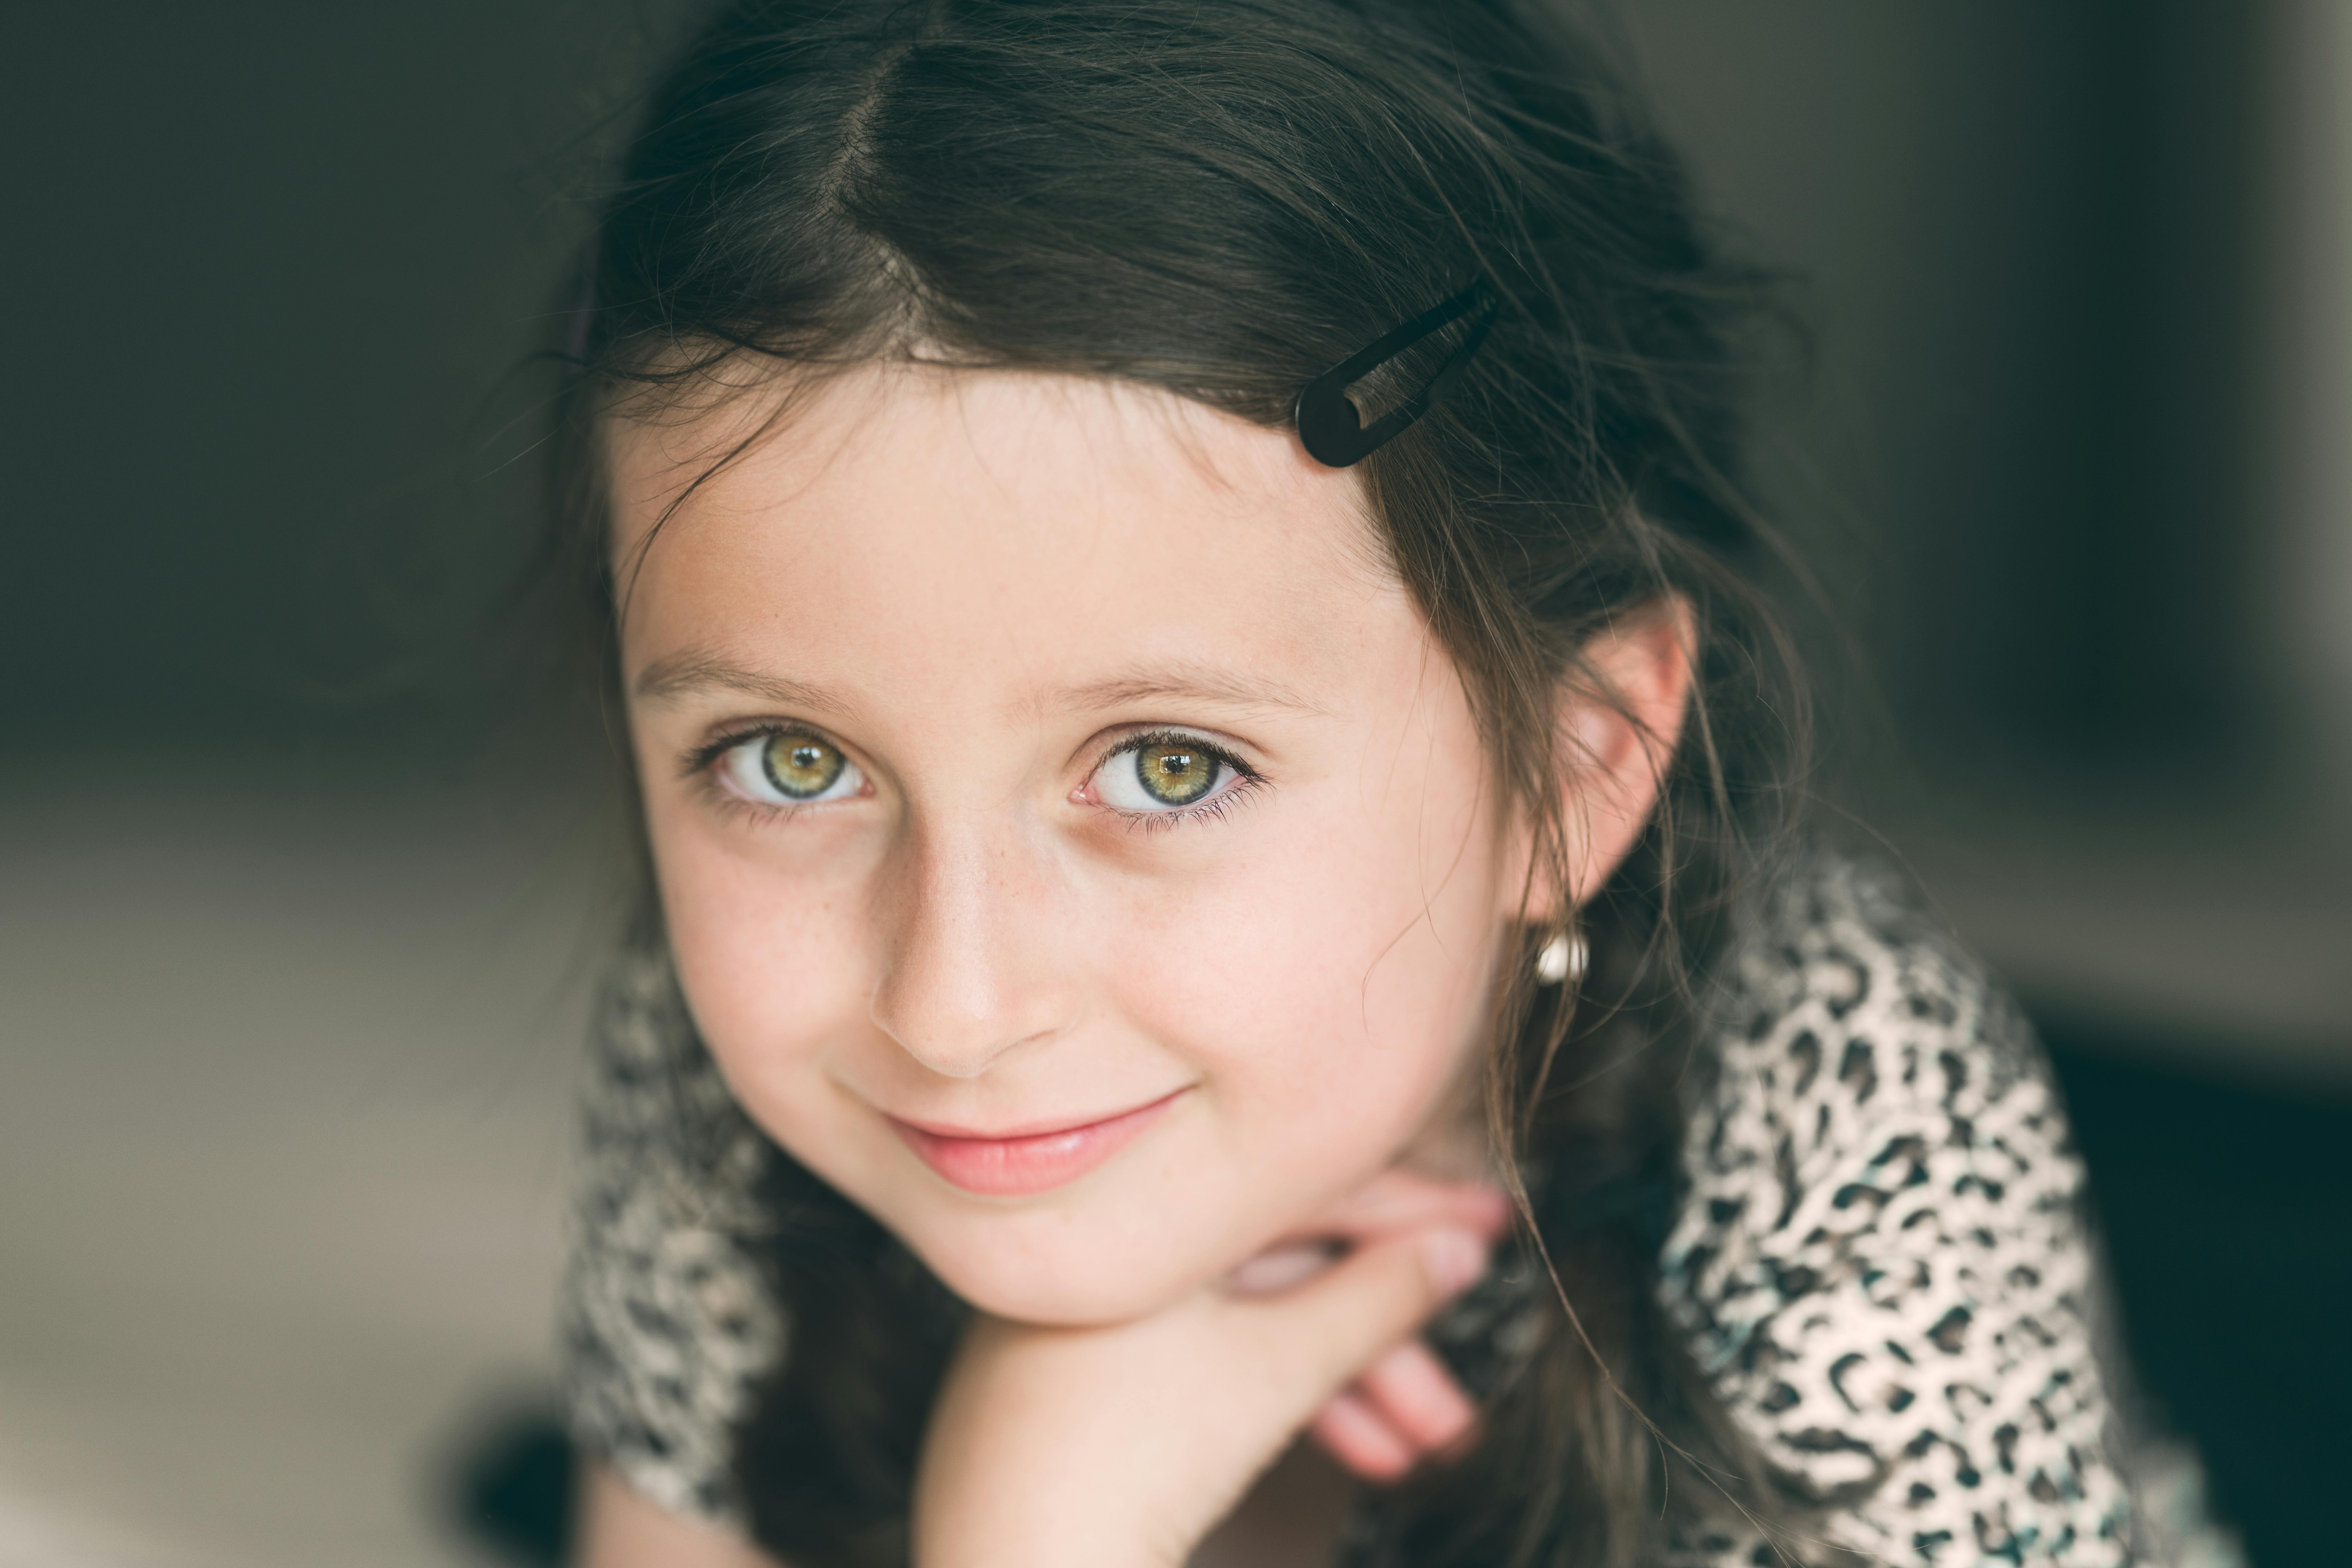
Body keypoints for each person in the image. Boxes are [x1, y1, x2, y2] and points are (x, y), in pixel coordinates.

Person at [548, 3, 2241, 1564]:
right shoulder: (756, 1051)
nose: (953, 1001)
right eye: (794, 760)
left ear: (1575, 762)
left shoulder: (1850, 1139)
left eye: (1168, 763)